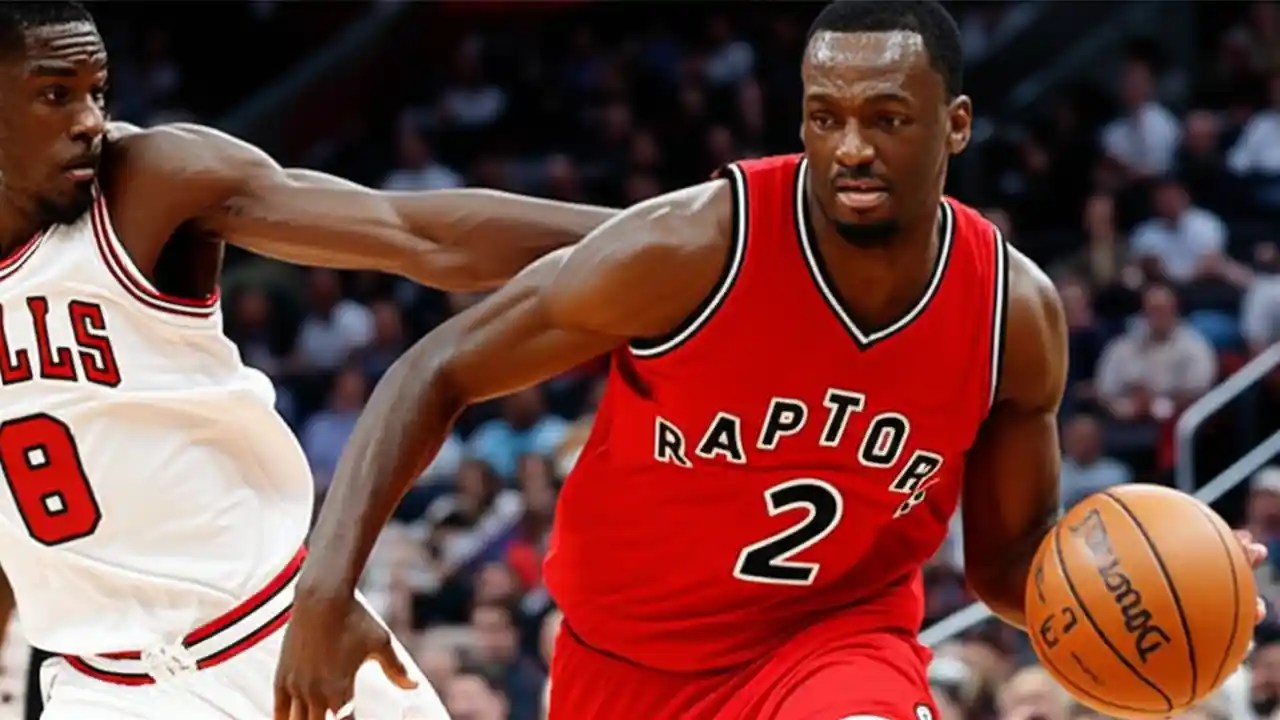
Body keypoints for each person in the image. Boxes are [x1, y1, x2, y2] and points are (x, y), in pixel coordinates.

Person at [278, 2, 1268, 719]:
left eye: (885, 116)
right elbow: (434, 368)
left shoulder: (1012, 314)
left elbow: (1012, 566)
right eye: (823, 115)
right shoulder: (691, 250)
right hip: (619, 664)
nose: (848, 147)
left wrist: (1155, 580)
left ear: (954, 126)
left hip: (832, 650)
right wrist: (324, 590)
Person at [0, 3, 617, 718]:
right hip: (103, 689)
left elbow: (417, 234)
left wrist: (682, 241)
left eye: (97, 91)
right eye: (56, 94)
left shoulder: (147, 184)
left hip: (277, 638)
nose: (88, 119)